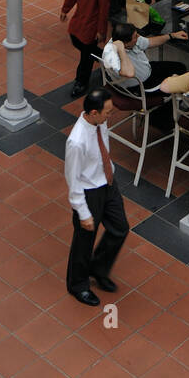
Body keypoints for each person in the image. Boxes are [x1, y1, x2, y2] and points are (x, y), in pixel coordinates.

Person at [64, 87, 129, 306]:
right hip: (89, 191)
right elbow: (72, 180)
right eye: (107, 112)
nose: (111, 115)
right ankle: (78, 285)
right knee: (84, 241)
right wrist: (83, 212)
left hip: (107, 183)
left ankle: (98, 268)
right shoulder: (76, 142)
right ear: (93, 113)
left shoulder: (100, 122)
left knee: (120, 227)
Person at [60, 0, 110, 98]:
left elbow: (104, 7)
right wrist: (65, 8)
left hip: (92, 23)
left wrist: (101, 30)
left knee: (86, 56)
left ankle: (81, 82)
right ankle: (105, 57)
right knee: (76, 39)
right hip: (80, 18)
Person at [102, 20, 189, 92]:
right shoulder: (111, 56)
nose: (139, 37)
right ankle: (167, 107)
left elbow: (150, 42)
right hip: (141, 86)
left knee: (180, 67)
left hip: (148, 70)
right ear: (126, 44)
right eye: (135, 37)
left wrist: (171, 35)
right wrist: (121, 50)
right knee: (180, 76)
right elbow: (129, 73)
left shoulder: (122, 38)